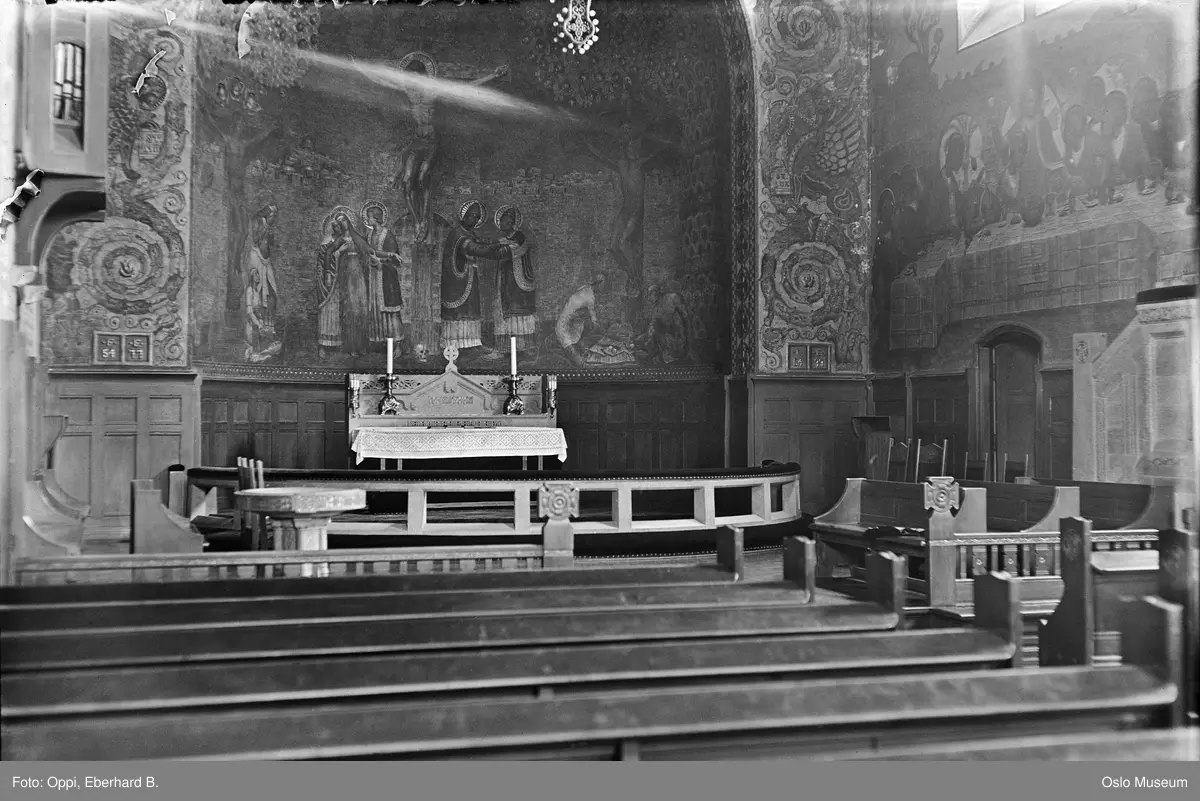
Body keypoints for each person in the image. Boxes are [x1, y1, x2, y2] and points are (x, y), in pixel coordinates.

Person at [440, 200, 505, 360]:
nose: (474, 219)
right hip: (456, 282)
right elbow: (474, 248)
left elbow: (483, 247)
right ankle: (453, 345)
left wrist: (501, 250)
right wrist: (499, 244)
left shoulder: (470, 234)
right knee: (459, 311)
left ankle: (473, 343)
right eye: (471, 215)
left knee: (471, 308)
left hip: (469, 278)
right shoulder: (458, 233)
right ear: (464, 215)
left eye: (477, 217)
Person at [488, 205, 537, 357]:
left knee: (519, 311)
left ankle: (525, 347)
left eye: (504, 221)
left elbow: (508, 251)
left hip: (517, 282)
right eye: (501, 221)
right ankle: (503, 348)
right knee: (502, 310)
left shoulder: (519, 237)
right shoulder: (502, 240)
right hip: (505, 279)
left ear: (510, 223)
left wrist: (498, 248)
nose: (501, 224)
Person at [361, 201, 407, 346]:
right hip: (373, 278)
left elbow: (395, 259)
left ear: (376, 218)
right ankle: (383, 343)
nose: (367, 220)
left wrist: (380, 261)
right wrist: (369, 261)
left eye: (369, 217)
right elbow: (365, 254)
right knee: (377, 309)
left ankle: (397, 345)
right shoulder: (368, 235)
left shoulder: (388, 235)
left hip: (387, 278)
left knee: (391, 311)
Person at [556, 273, 606, 366]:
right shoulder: (590, 297)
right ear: (599, 283)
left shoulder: (585, 288)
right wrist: (599, 328)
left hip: (574, 327)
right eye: (604, 284)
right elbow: (593, 317)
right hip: (563, 328)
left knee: (586, 351)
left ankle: (578, 348)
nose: (604, 288)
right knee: (580, 363)